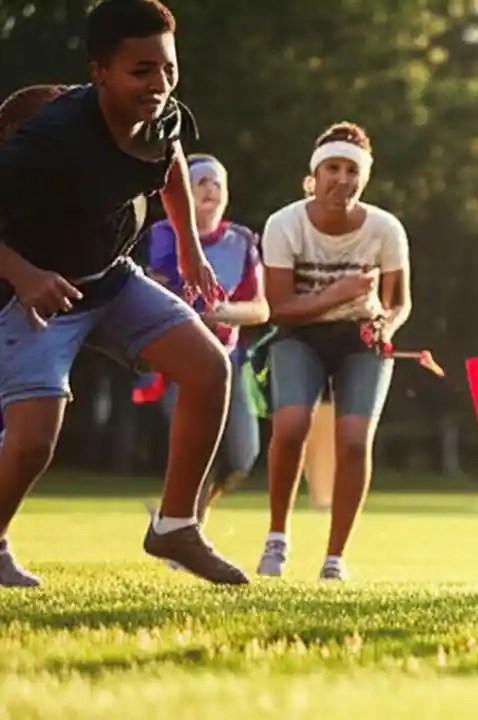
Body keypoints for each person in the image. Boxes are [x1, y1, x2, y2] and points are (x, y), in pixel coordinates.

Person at [0, 0, 248, 588]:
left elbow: (171, 161)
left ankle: (175, 525)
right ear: (100, 72)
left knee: (209, 367)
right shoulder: (49, 140)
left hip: (109, 279)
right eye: (142, 71)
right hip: (34, 295)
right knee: (34, 441)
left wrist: (187, 242)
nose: (159, 85)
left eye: (168, 69)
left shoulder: (161, 114)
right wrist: (25, 276)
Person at [256, 121, 411, 582]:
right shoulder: (284, 224)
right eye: (332, 168)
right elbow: (279, 309)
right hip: (299, 335)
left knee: (354, 440)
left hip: (360, 340)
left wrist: (385, 324)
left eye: (351, 171)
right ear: (314, 175)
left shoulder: (385, 229)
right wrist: (339, 292)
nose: (341, 179)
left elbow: (398, 301)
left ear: (363, 179)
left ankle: (334, 558)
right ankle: (276, 537)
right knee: (290, 426)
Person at [142, 153, 268, 522]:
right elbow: (149, 287)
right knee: (197, 447)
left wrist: (221, 313)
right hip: (178, 356)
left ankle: (177, 520)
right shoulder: (161, 235)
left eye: (218, 183)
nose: (211, 189)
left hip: (228, 357)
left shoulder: (242, 241)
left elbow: (260, 309)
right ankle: (183, 528)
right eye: (201, 182)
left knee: (240, 458)